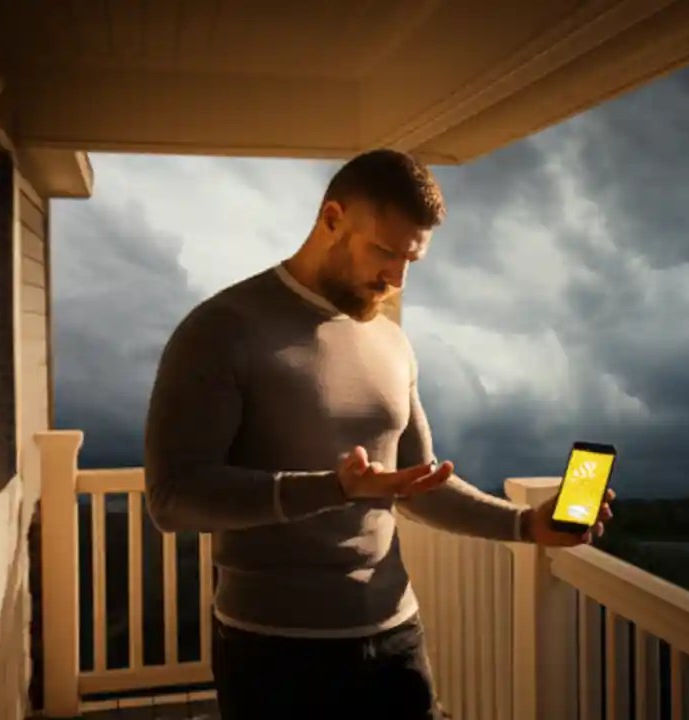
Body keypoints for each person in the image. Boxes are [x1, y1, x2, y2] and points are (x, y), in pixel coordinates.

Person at [143, 148, 615, 719]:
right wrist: (333, 489)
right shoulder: (222, 329)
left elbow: (418, 483)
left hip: (395, 638)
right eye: (385, 253)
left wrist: (526, 524)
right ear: (332, 218)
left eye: (412, 260)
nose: (396, 279)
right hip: (273, 650)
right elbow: (174, 499)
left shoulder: (391, 340)